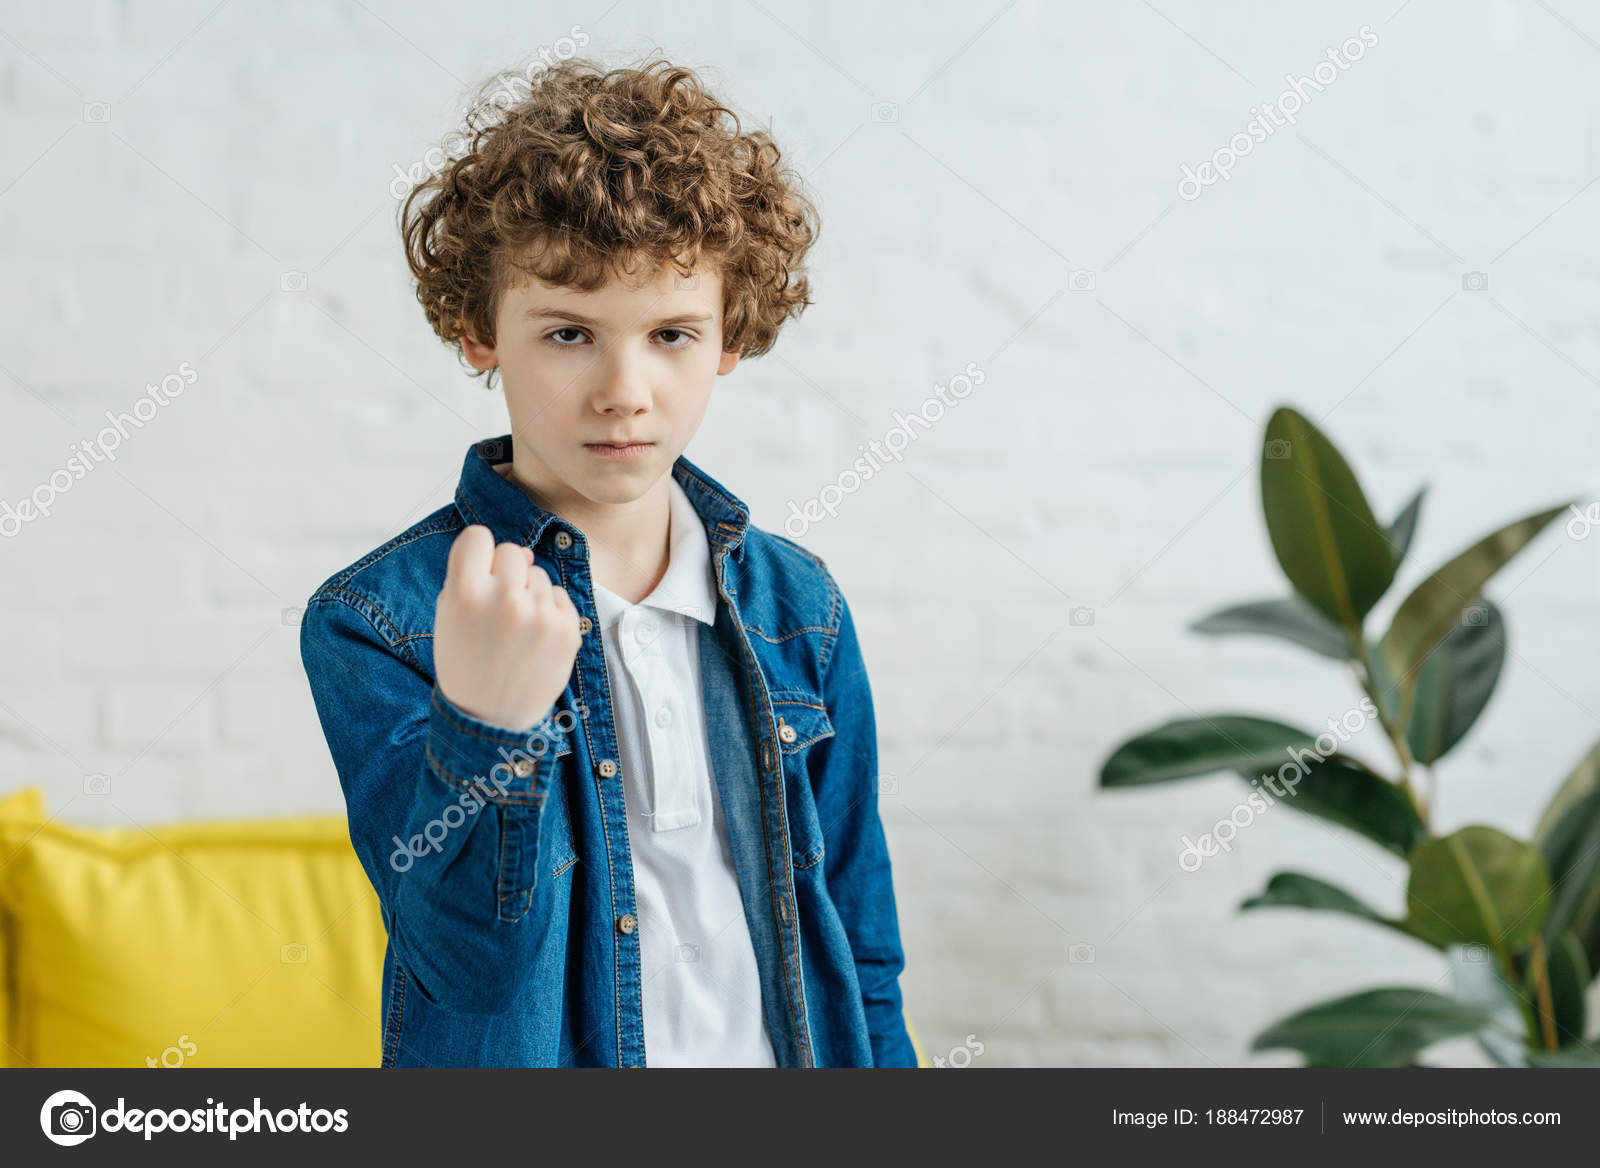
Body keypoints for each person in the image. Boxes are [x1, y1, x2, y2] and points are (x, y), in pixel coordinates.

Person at [297, 54, 917, 1068]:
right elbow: (468, 965)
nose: (624, 391)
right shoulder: (384, 618)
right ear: (480, 331)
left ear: (728, 337)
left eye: (671, 333)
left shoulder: (798, 605)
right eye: (569, 333)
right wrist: (489, 725)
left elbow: (863, 950)